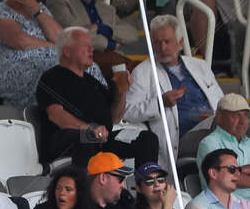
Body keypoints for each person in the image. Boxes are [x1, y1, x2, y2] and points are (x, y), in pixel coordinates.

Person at [36, 27, 159, 170]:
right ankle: (87, 189)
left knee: (147, 139)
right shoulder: (52, 77)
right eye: (85, 46)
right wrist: (89, 128)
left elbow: (115, 118)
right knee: (89, 137)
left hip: (101, 139)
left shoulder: (92, 81)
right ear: (67, 51)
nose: (91, 49)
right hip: (66, 141)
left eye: (91, 46)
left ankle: (148, 187)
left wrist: (122, 91)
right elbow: (56, 115)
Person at [124, 16, 221, 163]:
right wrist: (160, 103)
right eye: (157, 42)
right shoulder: (143, 72)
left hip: (214, 130)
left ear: (180, 42)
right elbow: (128, 111)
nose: (162, 48)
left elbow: (221, 102)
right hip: (183, 140)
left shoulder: (201, 66)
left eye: (167, 41)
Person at [47, 0, 139, 74]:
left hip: (113, 62)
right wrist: (110, 44)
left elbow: (132, 34)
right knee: (134, 71)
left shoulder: (107, 9)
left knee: (143, 71)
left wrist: (101, 28)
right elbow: (74, 37)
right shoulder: (59, 2)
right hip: (82, 62)